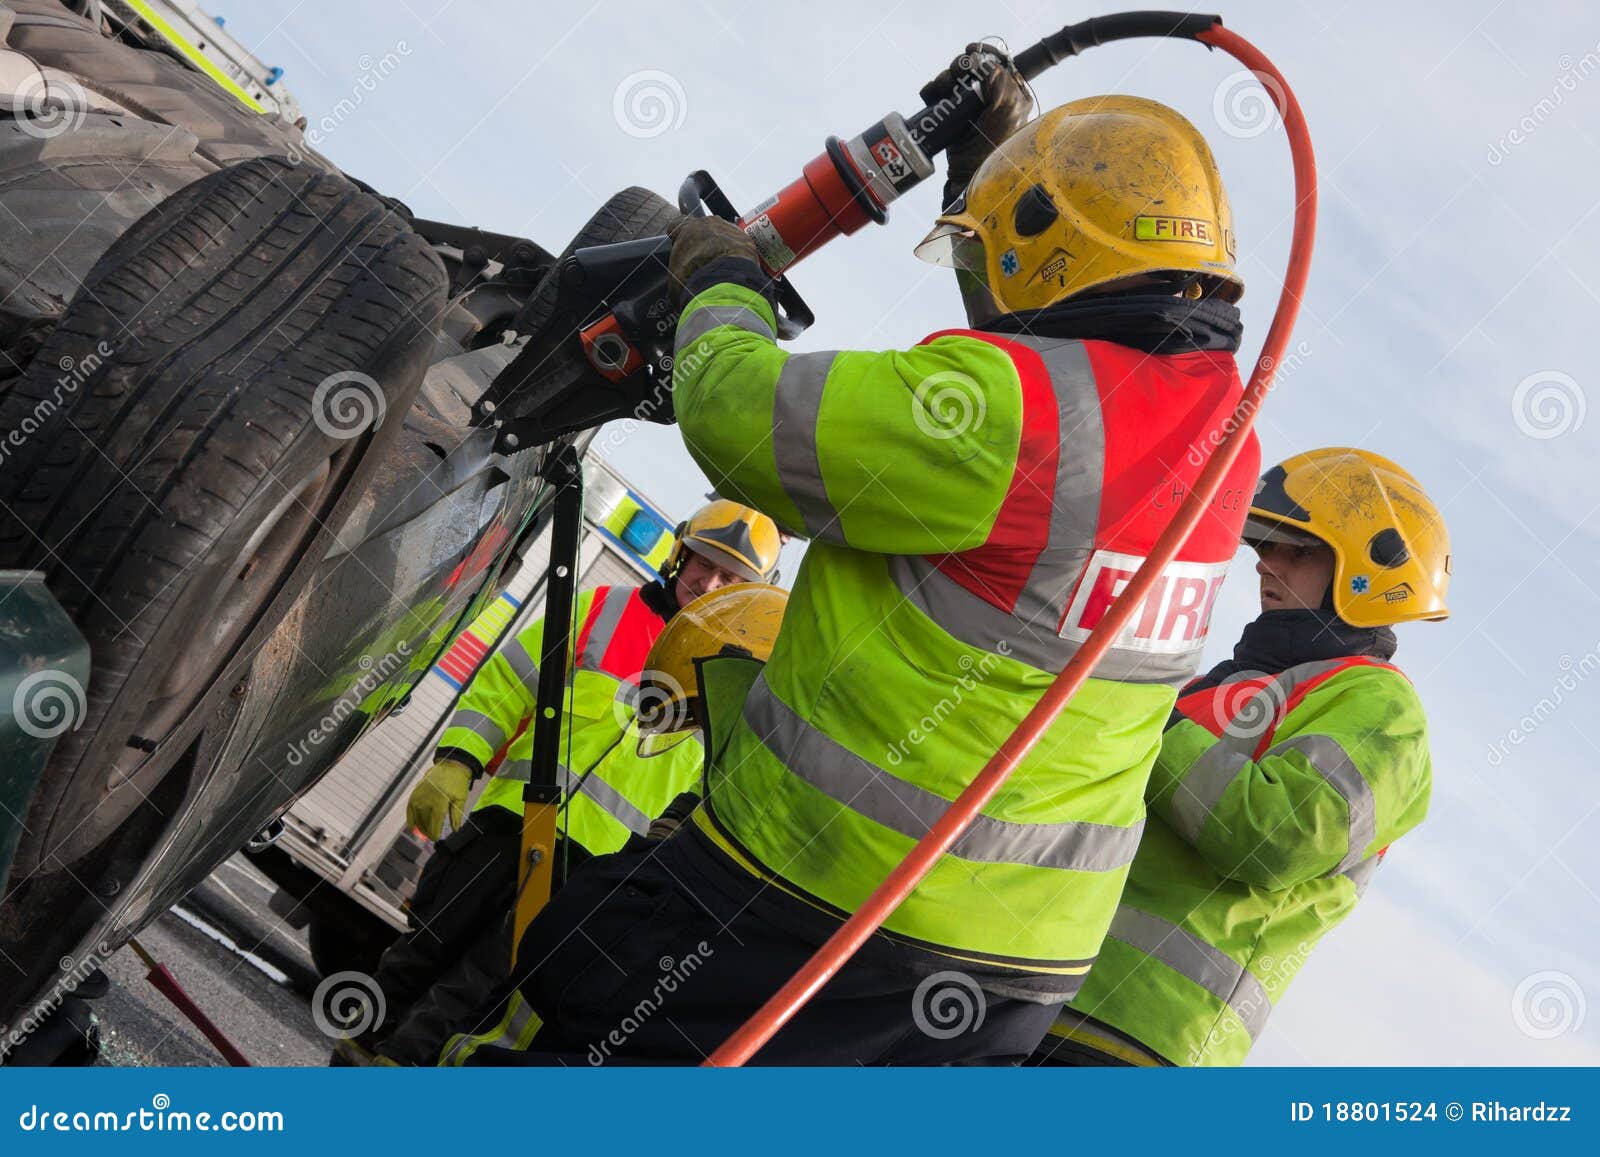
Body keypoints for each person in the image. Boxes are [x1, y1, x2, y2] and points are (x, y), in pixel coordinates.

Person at [449, 47, 1264, 1066]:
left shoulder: (1016, 415)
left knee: (576, 1000)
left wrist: (724, 286)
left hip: (830, 894)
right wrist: (991, 178)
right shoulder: (1217, 444)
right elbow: (1049, 350)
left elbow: (743, 417)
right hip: (1009, 966)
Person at [1035, 448, 1450, 1066]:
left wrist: (1148, 720)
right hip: (1038, 981)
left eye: (1299, 549)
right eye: (1265, 544)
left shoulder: (1381, 706)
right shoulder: (1223, 685)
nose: (1265, 562)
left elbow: (1278, 836)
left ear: (1373, 572)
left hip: (1142, 1034)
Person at [334, 500, 780, 1064]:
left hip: (588, 868)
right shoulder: (603, 609)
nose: (711, 582)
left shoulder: (735, 686)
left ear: (752, 593)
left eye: (731, 578)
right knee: (417, 955)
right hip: (507, 825)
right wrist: (457, 760)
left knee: (478, 990)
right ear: (680, 553)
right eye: (704, 563)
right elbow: (510, 682)